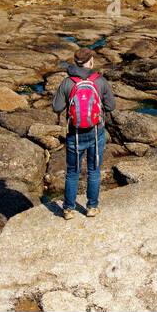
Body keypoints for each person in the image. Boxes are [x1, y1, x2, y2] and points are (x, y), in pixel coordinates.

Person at [53, 48, 116, 219]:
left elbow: (57, 107)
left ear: (75, 62)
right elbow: (111, 106)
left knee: (73, 172)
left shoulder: (67, 83)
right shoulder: (100, 81)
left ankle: (68, 209)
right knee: (94, 171)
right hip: (96, 132)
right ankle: (92, 207)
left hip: (75, 134)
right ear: (91, 61)